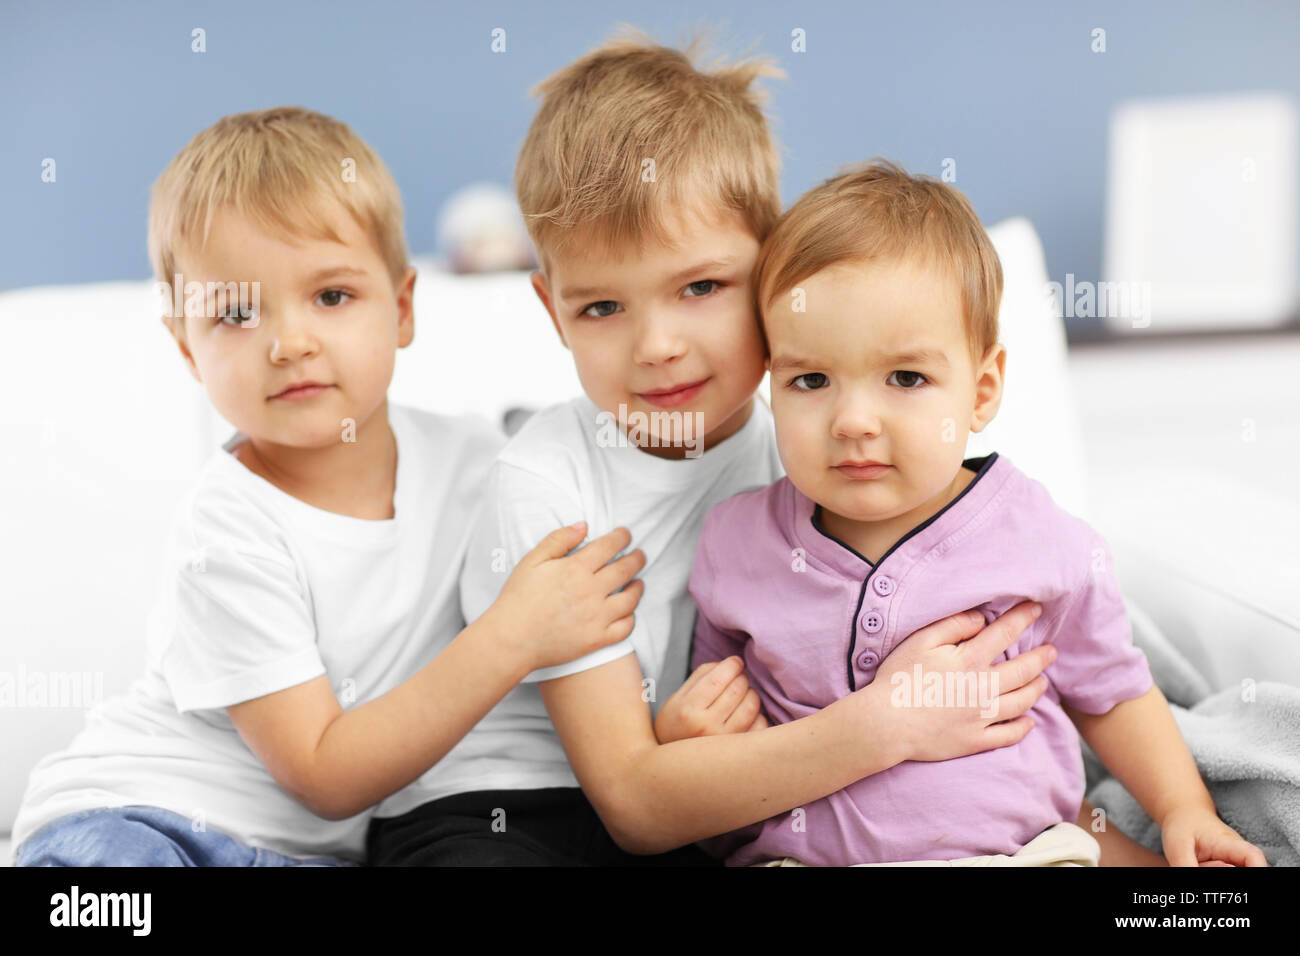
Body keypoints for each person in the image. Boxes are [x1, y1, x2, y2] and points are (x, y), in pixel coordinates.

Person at [366, 31, 1057, 867]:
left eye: (700, 287)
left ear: (776, 275)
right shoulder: (543, 486)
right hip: (509, 810)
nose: (657, 345)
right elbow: (634, 804)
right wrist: (889, 722)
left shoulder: (819, 453)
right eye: (601, 309)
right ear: (552, 312)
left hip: (712, 794)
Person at [12, 106, 641, 866]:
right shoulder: (229, 529)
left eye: (332, 297)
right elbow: (323, 772)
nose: (290, 343)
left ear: (402, 308)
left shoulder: (480, 462)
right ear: (186, 349)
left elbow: (592, 466)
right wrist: (510, 637)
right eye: (236, 313)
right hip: (142, 817)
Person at [665, 160, 1268, 867]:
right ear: (772, 384)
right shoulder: (737, 543)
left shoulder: (1038, 539)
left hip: (1022, 854)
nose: (854, 420)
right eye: (811, 379)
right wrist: (686, 735)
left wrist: (1183, 808)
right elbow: (717, 728)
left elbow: (1112, 691)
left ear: (981, 392)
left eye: (906, 378)